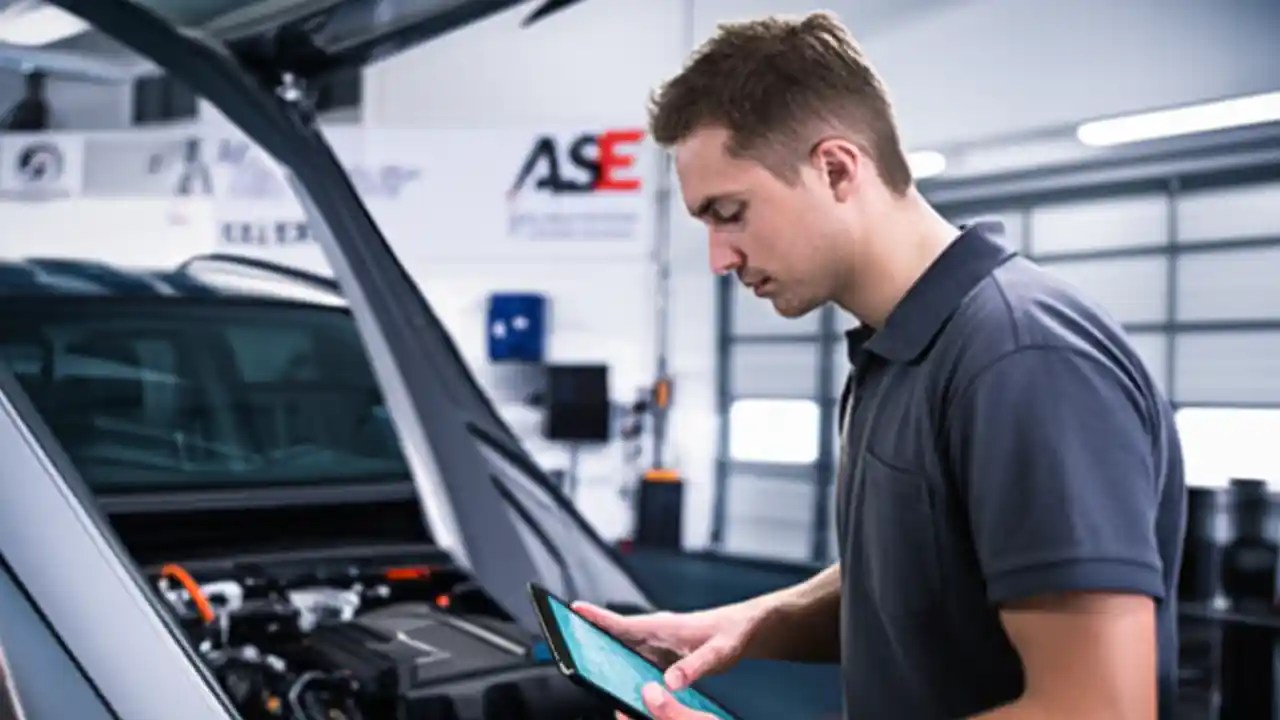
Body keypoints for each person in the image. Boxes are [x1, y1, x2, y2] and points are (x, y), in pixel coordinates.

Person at [573, 11, 1187, 720]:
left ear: (836, 168)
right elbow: (929, 569)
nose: (719, 258)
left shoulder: (1020, 358)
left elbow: (1098, 710)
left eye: (730, 212)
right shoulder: (894, 352)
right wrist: (749, 625)